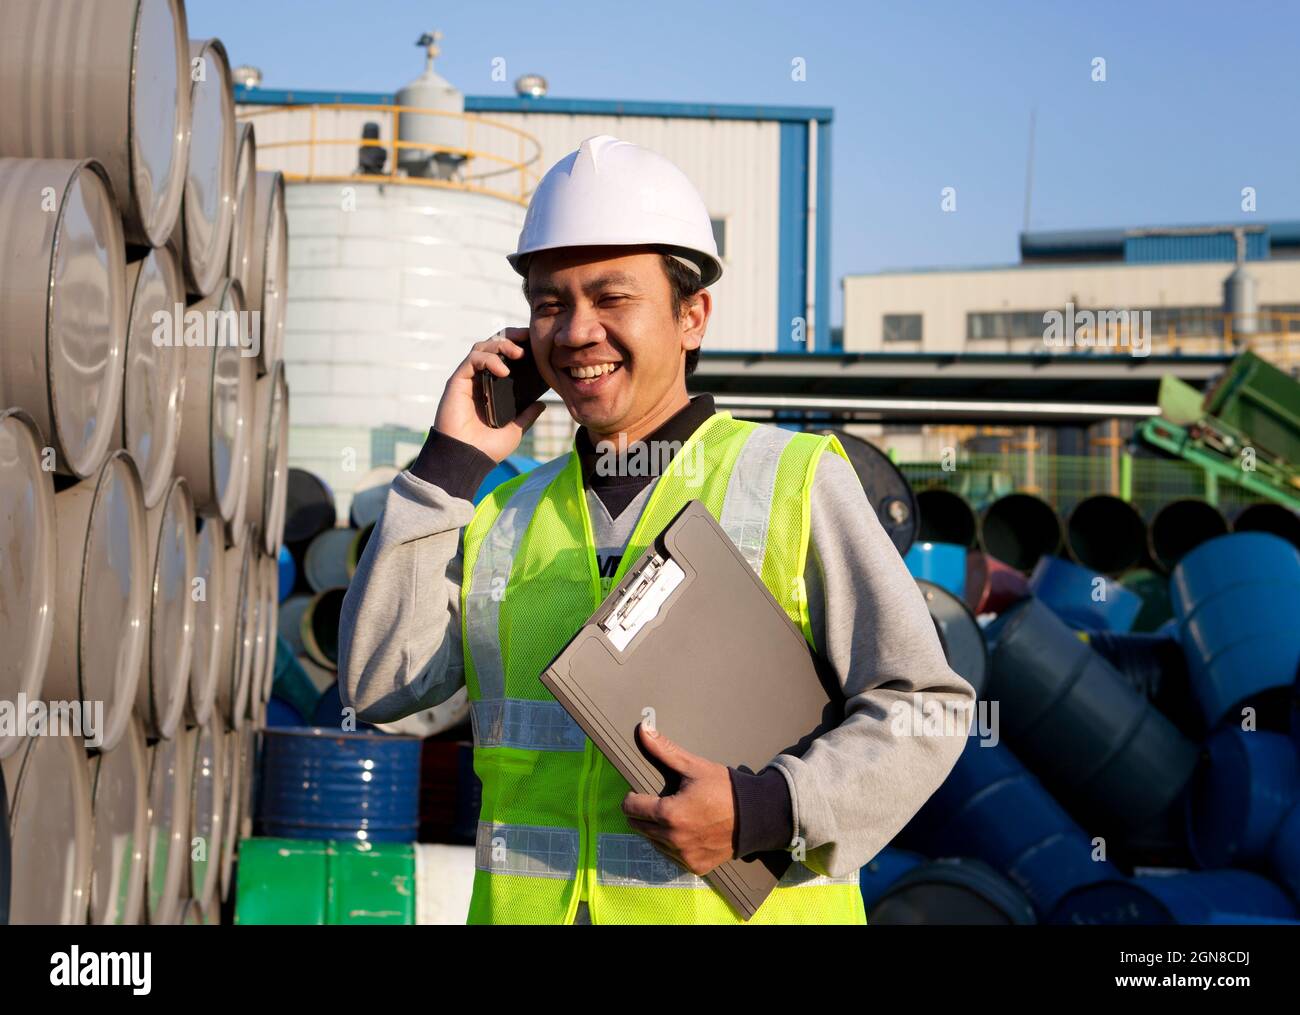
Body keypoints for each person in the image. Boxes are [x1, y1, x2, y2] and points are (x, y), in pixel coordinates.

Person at [339, 134, 975, 924]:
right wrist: (447, 465)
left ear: (692, 315)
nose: (575, 332)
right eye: (549, 303)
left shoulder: (794, 480)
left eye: (612, 299)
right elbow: (375, 684)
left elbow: (925, 705)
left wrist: (765, 809)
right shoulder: (503, 514)